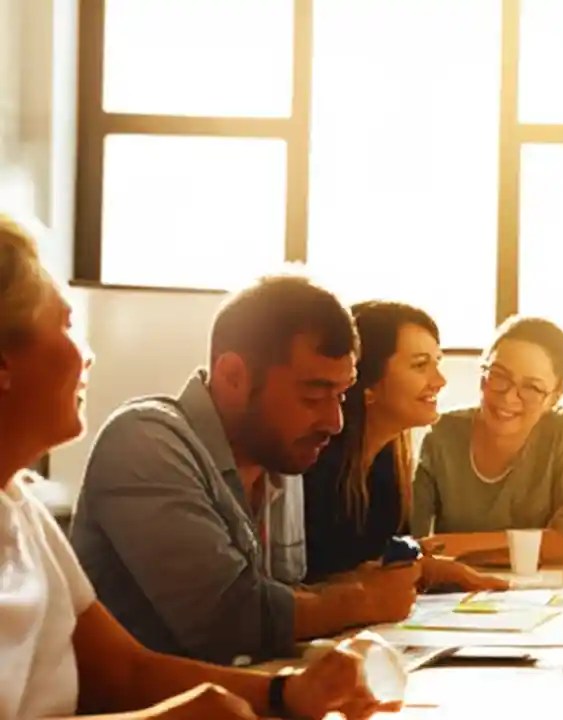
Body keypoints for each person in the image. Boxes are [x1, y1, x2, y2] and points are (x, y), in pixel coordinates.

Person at [0, 212, 392, 720]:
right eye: (66, 325)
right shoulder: (145, 438)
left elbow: (125, 671)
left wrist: (285, 695)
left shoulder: (21, 510)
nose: (87, 355)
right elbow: (228, 618)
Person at [71, 272, 419, 665]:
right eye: (312, 396)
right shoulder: (145, 441)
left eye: (340, 396)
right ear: (233, 376)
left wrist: (360, 583)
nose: (334, 423)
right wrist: (362, 600)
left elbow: (280, 594)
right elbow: (227, 619)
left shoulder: (280, 460)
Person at [304, 300, 506, 591]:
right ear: (365, 381)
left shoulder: (387, 462)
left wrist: (432, 570)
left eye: (437, 363)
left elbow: (383, 566)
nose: (440, 381)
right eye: (420, 365)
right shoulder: (312, 468)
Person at [412, 315, 563, 565]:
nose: (509, 397)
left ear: (555, 397)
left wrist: (461, 545)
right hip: (458, 586)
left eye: (532, 388)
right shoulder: (443, 435)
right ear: (482, 373)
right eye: (498, 376)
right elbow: (415, 544)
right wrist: (539, 542)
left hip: (548, 586)